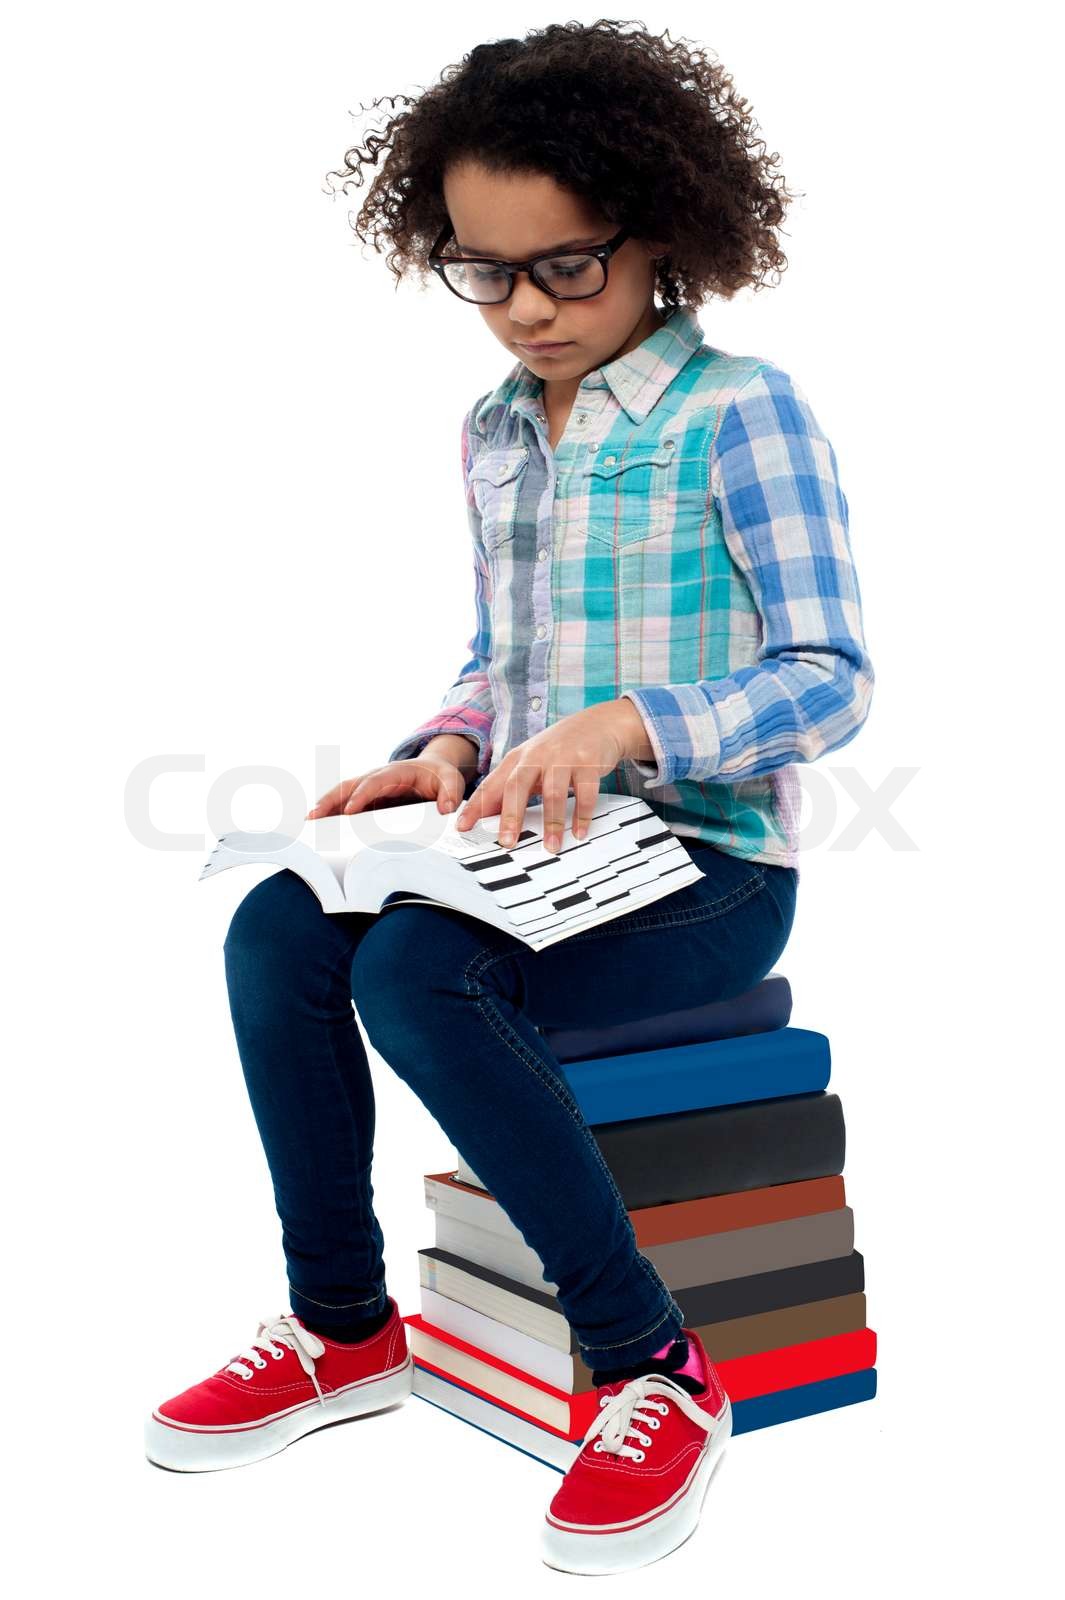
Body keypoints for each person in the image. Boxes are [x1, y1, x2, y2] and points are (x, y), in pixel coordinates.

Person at [145, 20, 874, 1576]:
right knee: (279, 924)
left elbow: (830, 678)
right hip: (527, 848)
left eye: (567, 266)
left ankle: (649, 1369)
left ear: (660, 234)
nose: (527, 309)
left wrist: (634, 725)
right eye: (485, 272)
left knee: (419, 971)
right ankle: (346, 1325)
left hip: (706, 866)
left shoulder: (742, 411)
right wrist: (448, 750)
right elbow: (499, 658)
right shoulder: (490, 434)